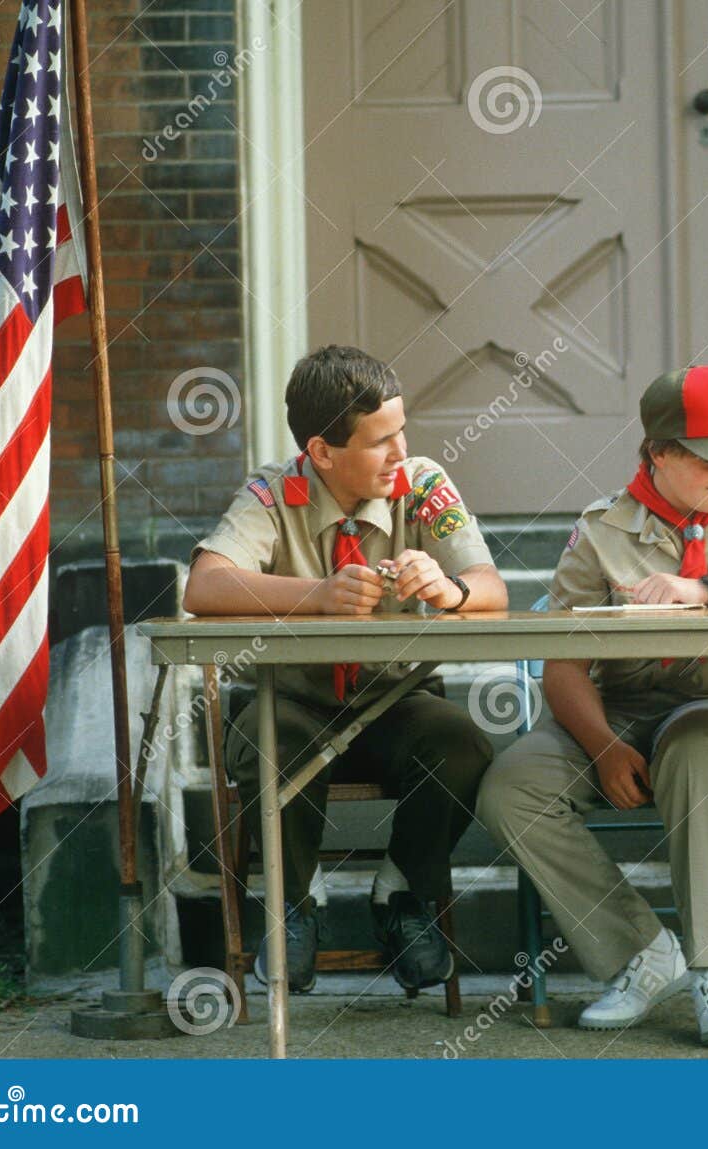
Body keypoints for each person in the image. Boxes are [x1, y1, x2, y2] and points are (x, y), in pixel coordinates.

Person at [477, 365, 708, 1047]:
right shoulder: (601, 529)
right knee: (511, 786)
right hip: (620, 709)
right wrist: (605, 744)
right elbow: (564, 663)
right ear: (659, 452)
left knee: (696, 747)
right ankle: (640, 950)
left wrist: (706, 588)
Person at [184, 345, 508, 994]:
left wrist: (449, 589)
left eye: (401, 432)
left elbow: (491, 586)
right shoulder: (277, 491)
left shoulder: (420, 482)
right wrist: (315, 596)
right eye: (379, 440)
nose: (398, 452)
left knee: (462, 742)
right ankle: (296, 902)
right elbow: (204, 585)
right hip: (297, 702)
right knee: (268, 740)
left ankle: (403, 893)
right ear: (322, 451)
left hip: (396, 701)